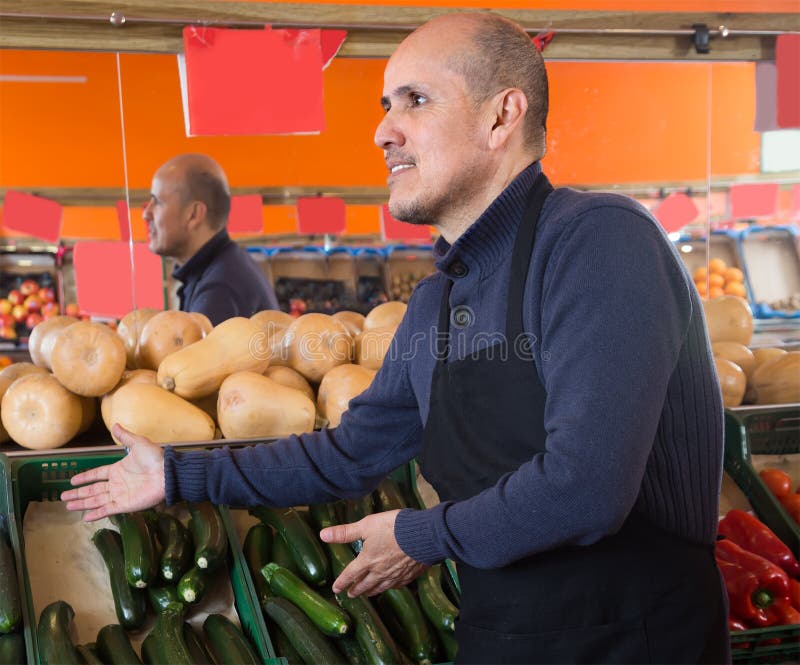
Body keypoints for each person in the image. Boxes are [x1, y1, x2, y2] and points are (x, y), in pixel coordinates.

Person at [63, 13, 728, 663]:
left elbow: (588, 486)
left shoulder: (598, 241)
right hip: (500, 637)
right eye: (386, 105)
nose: (383, 130)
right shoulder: (436, 301)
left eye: (415, 100)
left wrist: (421, 533)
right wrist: (179, 472)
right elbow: (350, 451)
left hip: (636, 637)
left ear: (502, 117)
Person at [143, 153, 279, 325]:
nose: (146, 213)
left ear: (193, 215)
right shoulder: (224, 269)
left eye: (157, 202)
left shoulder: (221, 289)